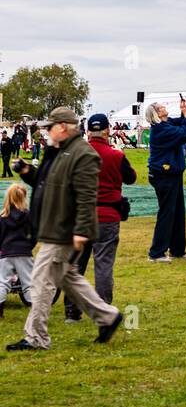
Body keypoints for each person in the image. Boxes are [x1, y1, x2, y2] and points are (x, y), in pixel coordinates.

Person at [5, 108, 122, 351]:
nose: (46, 131)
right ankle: (108, 317)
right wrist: (28, 172)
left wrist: (80, 229)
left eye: (50, 126)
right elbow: (47, 183)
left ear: (64, 126)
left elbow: (87, 195)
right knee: (68, 278)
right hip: (54, 228)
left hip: (64, 231)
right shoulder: (61, 151)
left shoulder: (83, 154)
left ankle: (36, 337)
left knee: (41, 281)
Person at [64, 114, 137, 313]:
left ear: (88, 132)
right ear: (107, 130)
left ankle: (72, 309)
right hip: (107, 215)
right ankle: (103, 310)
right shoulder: (115, 155)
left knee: (76, 264)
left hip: (81, 215)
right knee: (103, 265)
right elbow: (131, 178)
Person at [146, 99, 186, 262]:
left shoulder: (166, 124)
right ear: (157, 114)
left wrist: (185, 111)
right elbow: (185, 133)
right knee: (167, 212)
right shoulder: (161, 130)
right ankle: (156, 252)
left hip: (172, 173)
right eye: (161, 108)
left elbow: (182, 122)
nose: (164, 108)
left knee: (178, 211)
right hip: (164, 175)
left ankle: (177, 249)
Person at [0, 183, 33, 317]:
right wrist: (30, 245)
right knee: (29, 283)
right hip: (24, 252)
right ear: (24, 197)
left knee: (2, 282)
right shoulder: (28, 216)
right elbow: (33, 233)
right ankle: (34, 310)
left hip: (6, 252)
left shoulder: (2, 217)